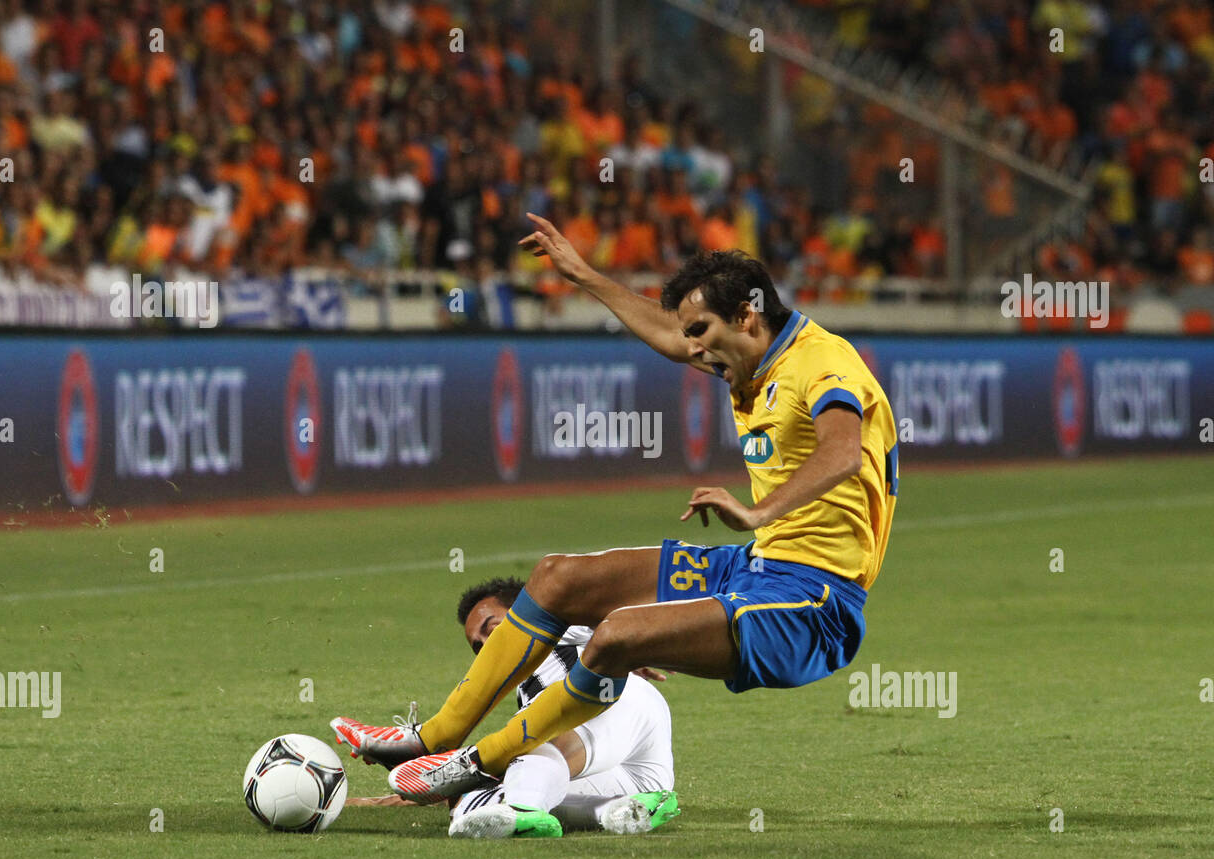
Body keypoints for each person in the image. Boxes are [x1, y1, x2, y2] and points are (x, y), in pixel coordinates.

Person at [336, 212, 898, 804]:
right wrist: (581, 274)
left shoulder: (820, 363)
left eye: (702, 329)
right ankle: (433, 735)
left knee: (616, 635)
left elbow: (842, 453)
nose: (693, 346)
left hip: (815, 601)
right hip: (757, 567)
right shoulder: (750, 355)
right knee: (560, 577)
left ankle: (479, 763)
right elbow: (669, 336)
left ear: (747, 315)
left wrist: (760, 512)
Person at [338, 577, 679, 838]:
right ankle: (612, 813)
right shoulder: (523, 687)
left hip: (616, 700)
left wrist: (635, 644)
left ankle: (518, 805)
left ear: (528, 611)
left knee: (528, 750)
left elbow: (620, 608)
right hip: (639, 779)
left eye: (494, 628)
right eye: (479, 645)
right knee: (495, 791)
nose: (487, 645)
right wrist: (380, 799)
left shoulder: (559, 622)